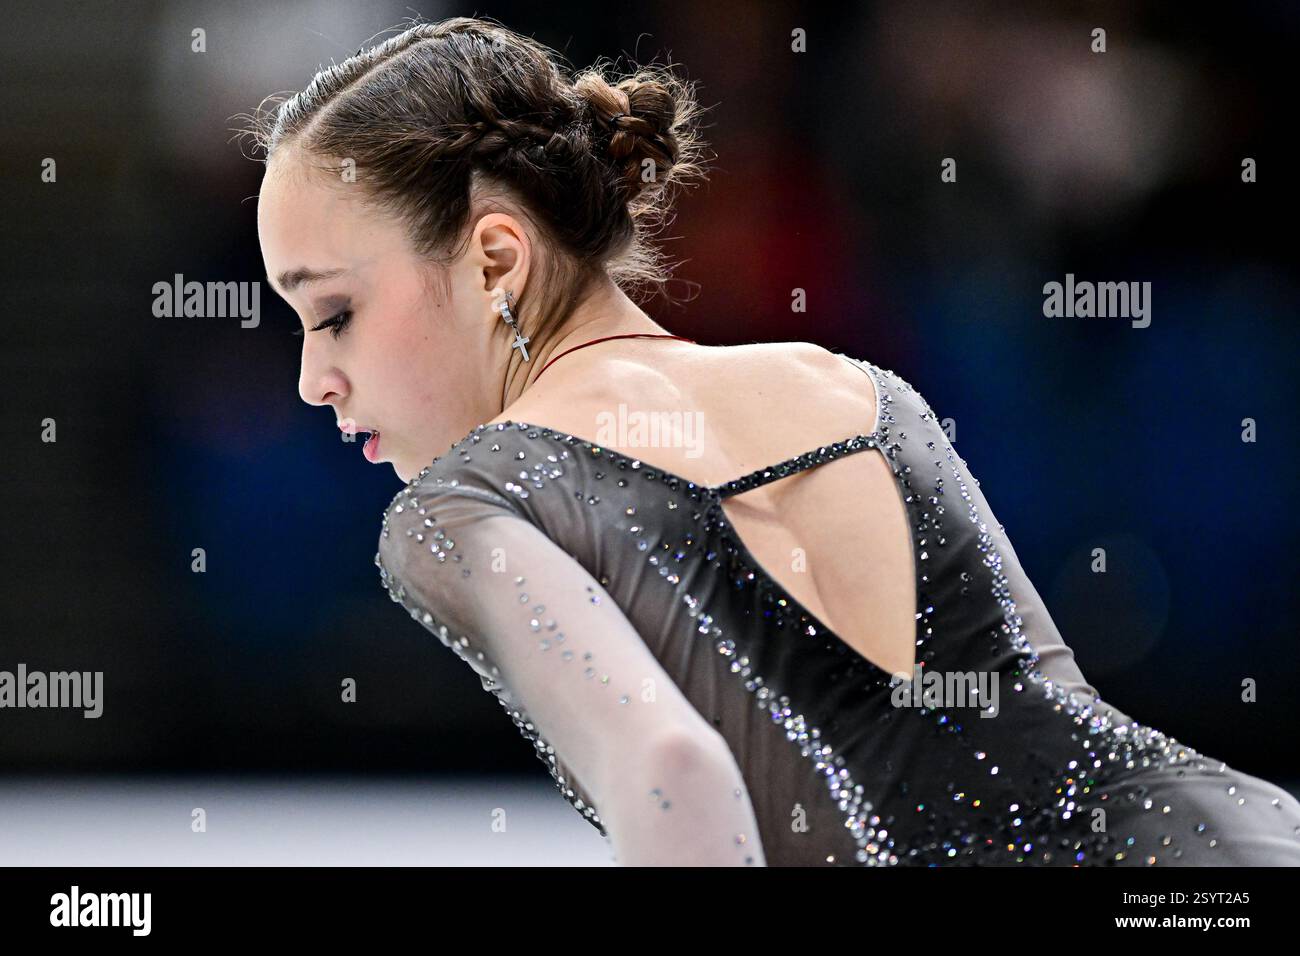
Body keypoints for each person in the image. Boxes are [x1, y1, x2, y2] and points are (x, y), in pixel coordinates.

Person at [250, 16, 1300, 865]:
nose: (312, 378)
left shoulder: (471, 502)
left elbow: (676, 773)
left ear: (493, 260)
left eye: (332, 311)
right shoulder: (850, 384)